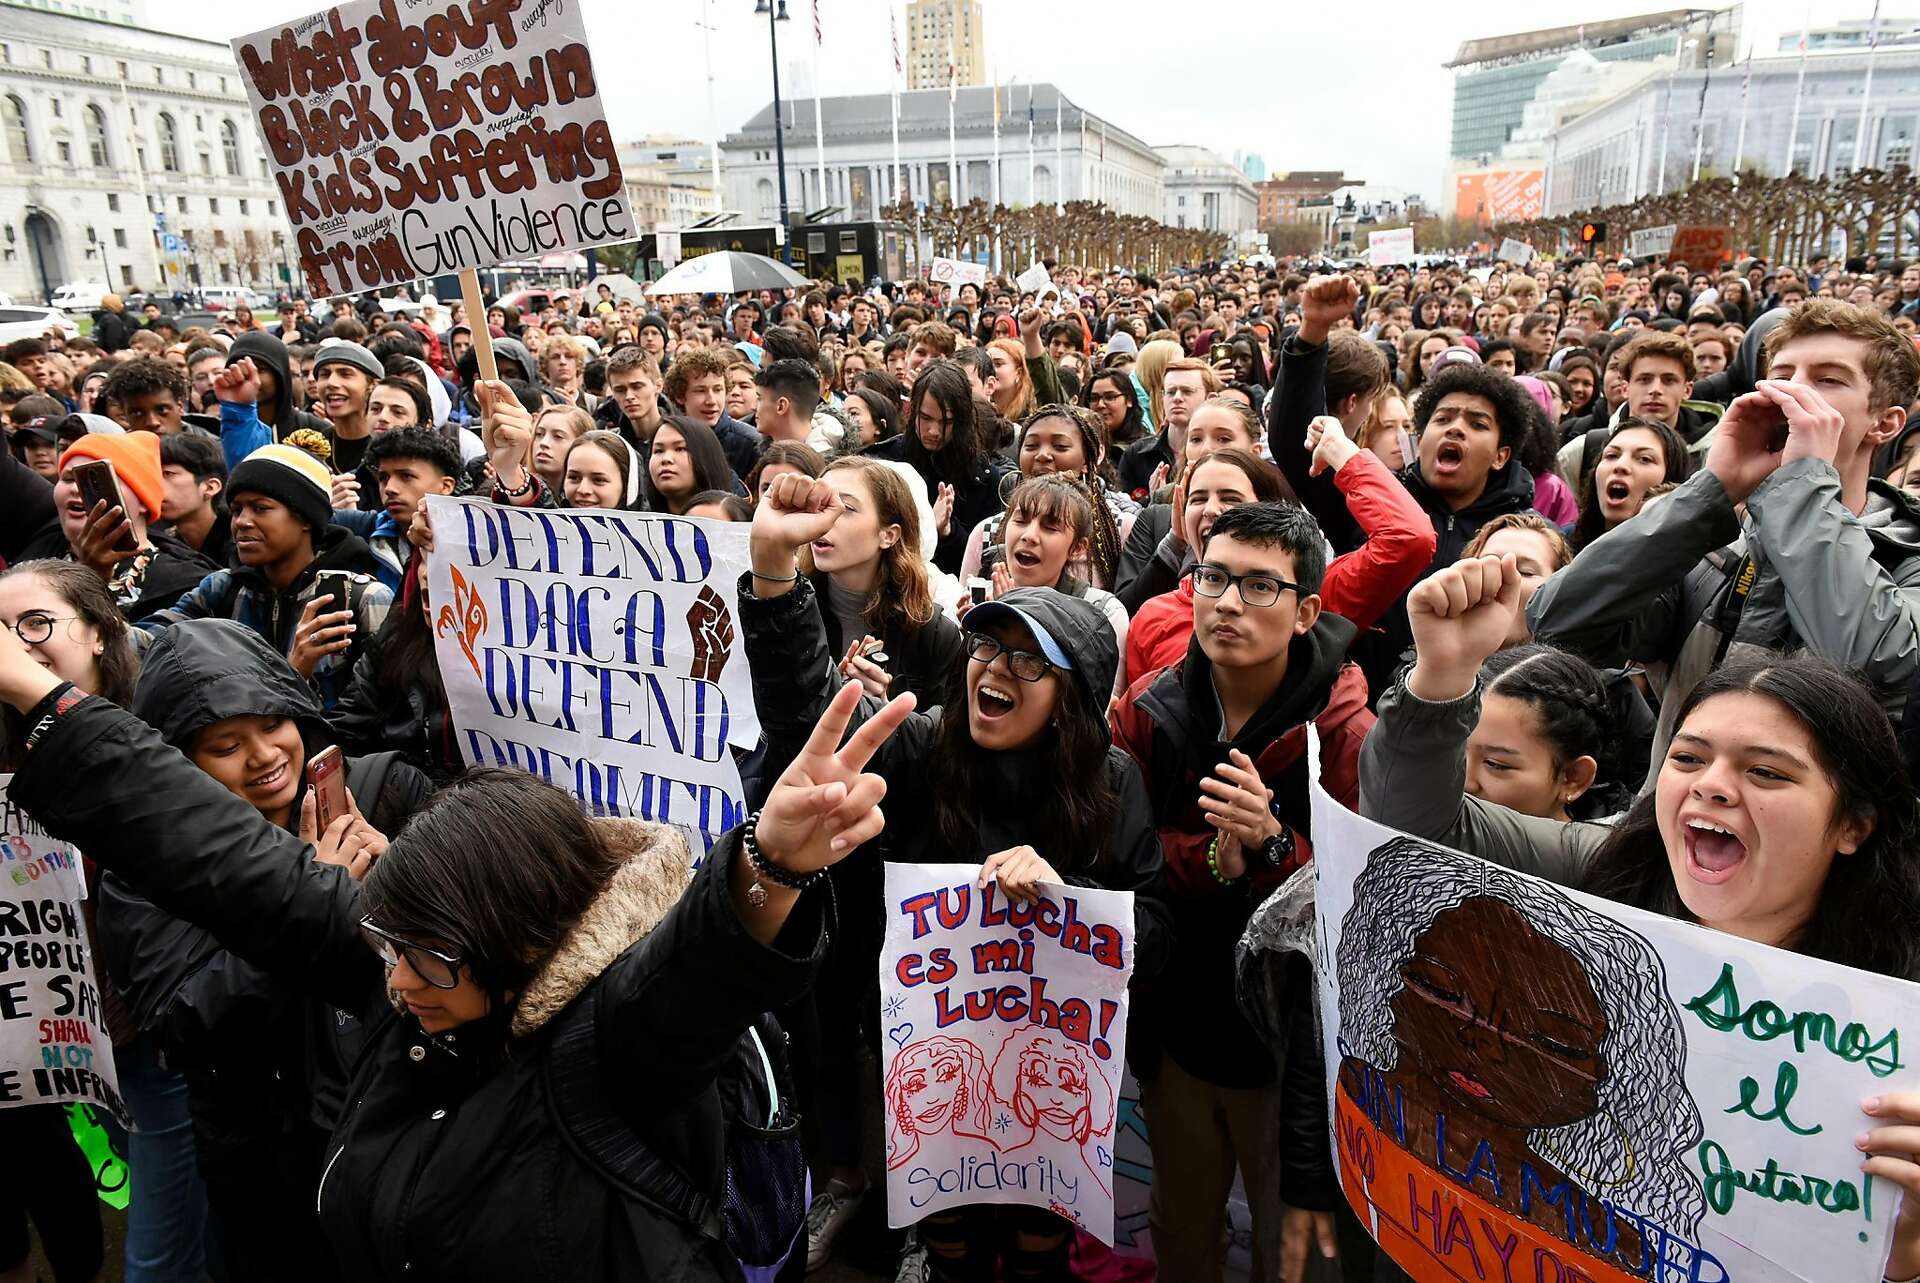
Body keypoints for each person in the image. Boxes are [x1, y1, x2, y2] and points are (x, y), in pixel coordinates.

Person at [0, 571, 918, 1279]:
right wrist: (36, 693)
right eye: (388, 948)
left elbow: (703, 965)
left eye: (426, 957)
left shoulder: (610, 1044)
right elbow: (213, 848)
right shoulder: (412, 981)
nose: (394, 982)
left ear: (519, 942)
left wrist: (771, 862)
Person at [1347, 552, 1920, 1282]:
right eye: (1689, 758)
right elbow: (1412, 834)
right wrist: (1441, 677)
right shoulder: (1603, 873)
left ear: (1855, 825)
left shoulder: (1898, 1023)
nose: (1713, 787)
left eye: (1766, 772)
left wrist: (1901, 1259)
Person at [744, 472, 1170, 1282]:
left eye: (1025, 659)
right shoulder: (928, 745)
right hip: (938, 1068)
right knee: (952, 1246)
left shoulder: (1114, 783)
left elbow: (1157, 932)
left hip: (1051, 1078)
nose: (993, 667)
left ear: (1072, 695)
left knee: (1038, 1247)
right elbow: (812, 721)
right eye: (985, 647)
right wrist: (772, 576)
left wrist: (1069, 899)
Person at [98, 618, 432, 1283]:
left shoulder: (384, 788)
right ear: (180, 763)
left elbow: (477, 934)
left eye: (273, 724)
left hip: (404, 1121)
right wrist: (309, 902)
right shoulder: (146, 866)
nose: (263, 756)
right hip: (263, 1155)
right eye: (226, 745)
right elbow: (185, 1019)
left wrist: (406, 872)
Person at [1110, 500, 1373, 1283]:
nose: (1227, 602)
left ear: (1307, 612)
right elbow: (1119, 852)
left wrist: (1271, 842)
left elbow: (1361, 899)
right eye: (1213, 577)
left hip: (1290, 1051)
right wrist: (1215, 860)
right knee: (1182, 1227)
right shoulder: (1148, 707)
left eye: (1259, 586)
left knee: (1288, 1251)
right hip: (1178, 1026)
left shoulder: (1344, 730)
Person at [1530, 301, 1920, 784]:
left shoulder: (1907, 557)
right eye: (1781, 375)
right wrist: (1710, 491)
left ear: (1885, 423)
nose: (1791, 392)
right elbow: (1558, 623)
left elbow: (1882, 669)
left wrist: (1803, 485)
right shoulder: (1713, 546)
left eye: (1827, 380)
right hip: (1672, 819)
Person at [145, 442, 391, 711]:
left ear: (306, 519)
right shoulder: (222, 590)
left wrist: (295, 679)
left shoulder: (362, 600)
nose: (242, 521)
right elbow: (148, 643)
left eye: (260, 508)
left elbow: (378, 715)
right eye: (237, 510)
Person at [975, 474, 1131, 697]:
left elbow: (1101, 706)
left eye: (1050, 527)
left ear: (1077, 549)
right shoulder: (985, 599)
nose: (1029, 536)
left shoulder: (1102, 613)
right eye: (1021, 521)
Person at [959, 404, 1134, 590]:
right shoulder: (987, 532)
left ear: (1086, 460)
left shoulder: (1120, 530)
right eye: (1031, 446)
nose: (1042, 455)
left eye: (1060, 446)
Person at [55, 430, 219, 624]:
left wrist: (94, 578)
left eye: (96, 481)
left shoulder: (187, 585)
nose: (77, 488)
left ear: (142, 500)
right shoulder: (37, 561)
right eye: (68, 478)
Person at [867, 358, 1013, 573]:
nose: (933, 431)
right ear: (912, 410)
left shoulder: (983, 478)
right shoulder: (884, 460)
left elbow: (980, 562)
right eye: (926, 418)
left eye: (946, 422)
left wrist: (948, 531)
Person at [1568, 417, 1691, 550]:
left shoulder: (1689, 557)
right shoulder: (1562, 546)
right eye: (1612, 455)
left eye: (1644, 459)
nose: (1620, 466)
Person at [158, 433, 230, 566]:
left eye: (168, 474)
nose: (156, 484)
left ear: (210, 487)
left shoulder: (240, 541)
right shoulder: (163, 544)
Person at [644, 416, 735, 515]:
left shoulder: (736, 520)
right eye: (658, 451)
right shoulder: (637, 521)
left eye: (680, 449)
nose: (666, 459)